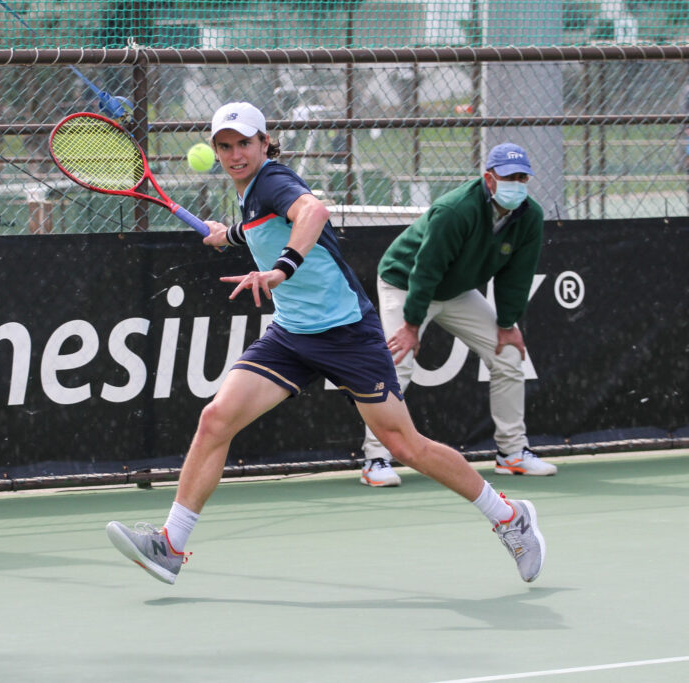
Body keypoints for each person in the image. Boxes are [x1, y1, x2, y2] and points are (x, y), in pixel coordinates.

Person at [105, 102, 546, 586]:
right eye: (225, 146)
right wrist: (226, 235)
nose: (235, 155)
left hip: (347, 334)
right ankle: (170, 545)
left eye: (244, 143)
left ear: (265, 143)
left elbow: (312, 211)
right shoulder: (251, 193)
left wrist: (281, 269)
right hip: (291, 335)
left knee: (405, 445)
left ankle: (509, 517)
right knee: (215, 419)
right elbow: (263, 225)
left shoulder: (272, 179)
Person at [358, 142, 555, 488]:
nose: (516, 184)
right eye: (509, 177)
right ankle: (376, 459)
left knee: (509, 355)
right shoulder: (454, 210)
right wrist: (411, 326)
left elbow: (517, 276)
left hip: (456, 289)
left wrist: (507, 324)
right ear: (489, 178)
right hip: (405, 281)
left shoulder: (530, 216)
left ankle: (512, 454)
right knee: (398, 361)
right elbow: (426, 269)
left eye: (522, 177)